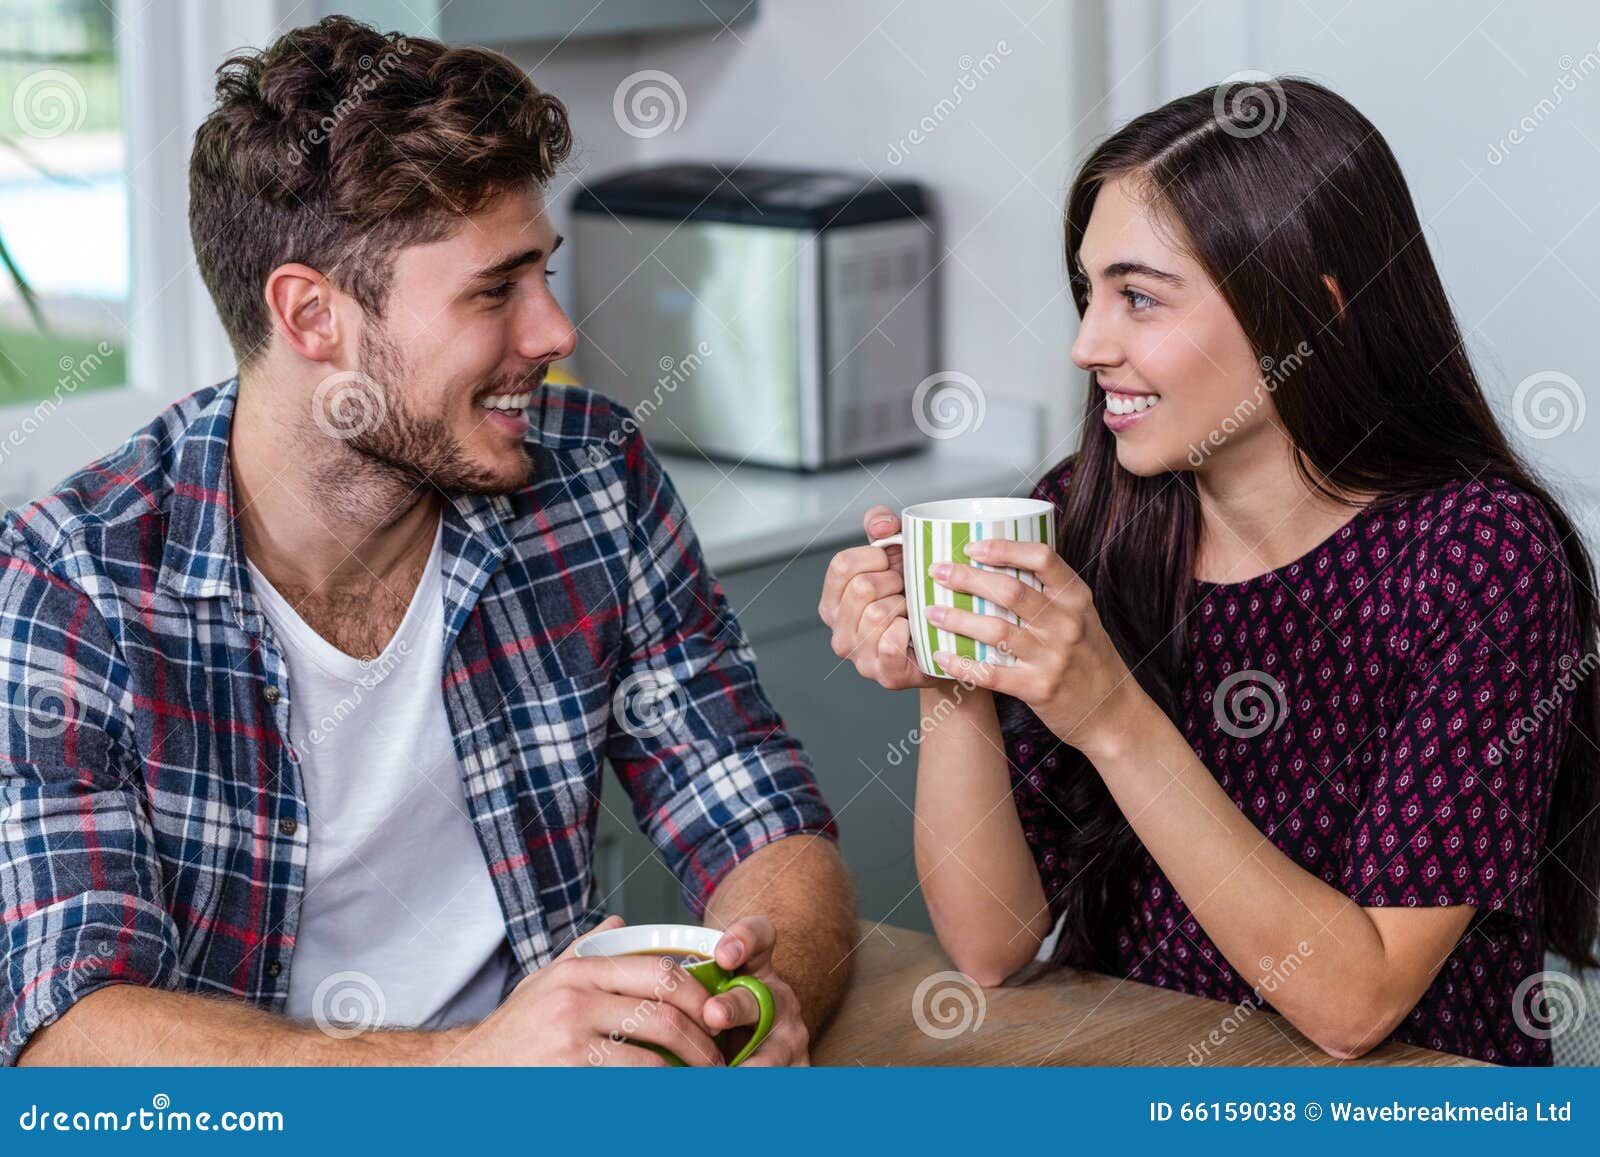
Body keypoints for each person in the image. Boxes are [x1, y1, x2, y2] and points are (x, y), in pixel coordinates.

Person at [1, 16, 854, 1067]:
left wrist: (770, 993)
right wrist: (466, 1068)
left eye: (542, 272)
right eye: (495, 289)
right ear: (314, 317)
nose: (552, 332)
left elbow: (758, 808)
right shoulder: (72, 579)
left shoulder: (591, 478)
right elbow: (67, 1026)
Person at [820, 77, 1599, 1066]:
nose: (1086, 344)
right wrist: (950, 671)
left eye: (1138, 297)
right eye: (1088, 289)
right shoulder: (1087, 512)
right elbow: (989, 943)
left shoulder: (1479, 556)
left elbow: (1355, 1003)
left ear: (1305, 315)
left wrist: (1112, 716)